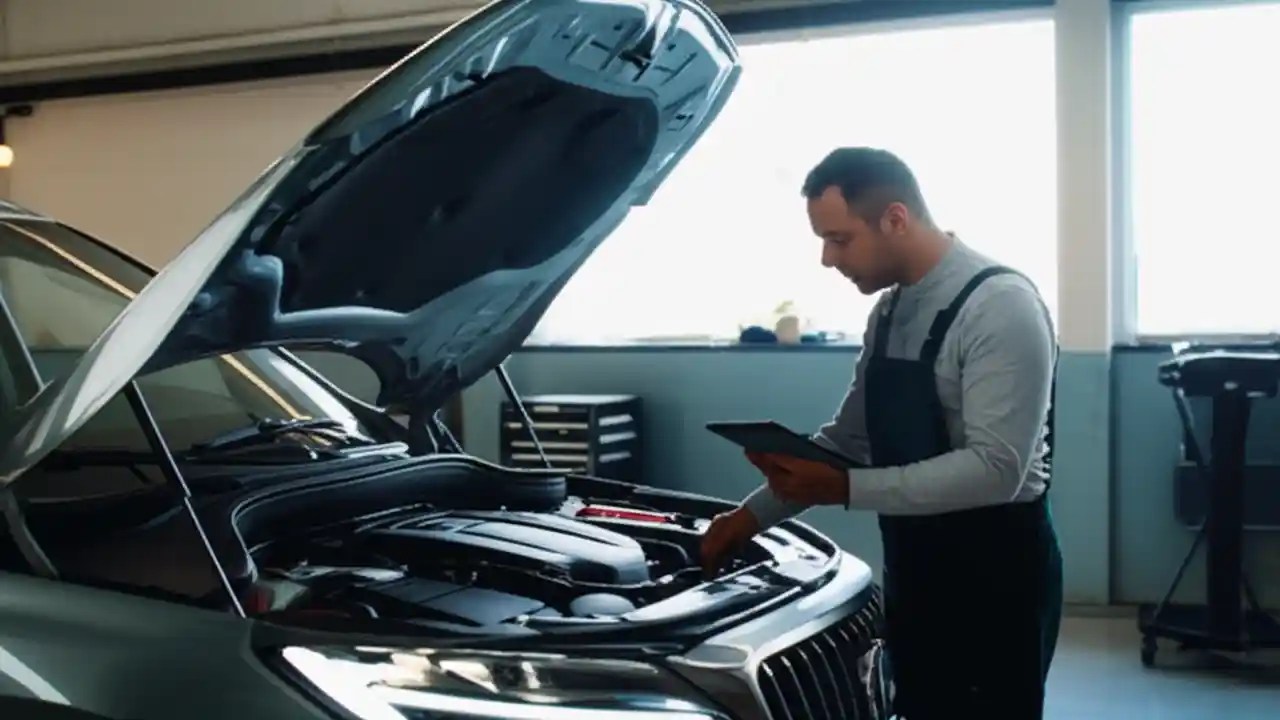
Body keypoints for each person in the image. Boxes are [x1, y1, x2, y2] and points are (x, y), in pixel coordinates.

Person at [700, 147, 1063, 719]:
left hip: (997, 577)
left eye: (839, 239)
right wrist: (743, 520)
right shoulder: (890, 311)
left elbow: (996, 470)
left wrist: (843, 489)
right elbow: (850, 442)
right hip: (916, 568)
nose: (825, 259)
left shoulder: (1000, 306)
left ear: (895, 218)